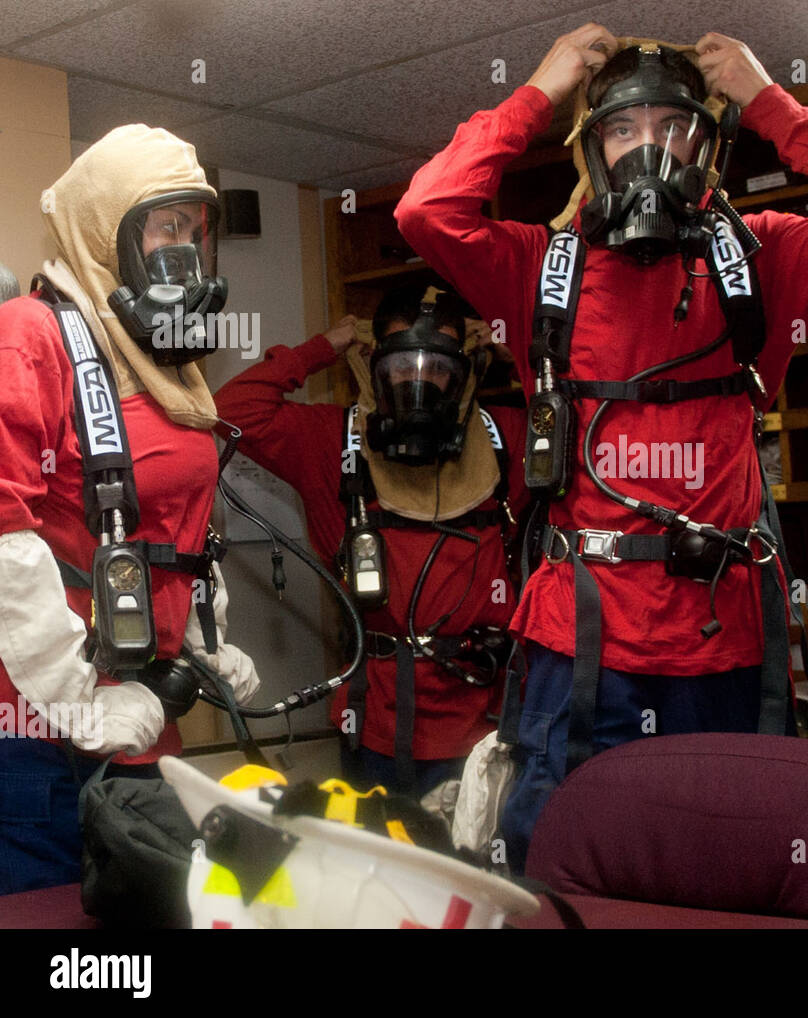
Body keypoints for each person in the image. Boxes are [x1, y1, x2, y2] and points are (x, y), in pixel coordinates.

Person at [395, 23, 808, 869]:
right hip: (582, 645)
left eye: (674, 129)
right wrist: (538, 91)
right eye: (622, 129)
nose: (650, 151)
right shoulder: (541, 269)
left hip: (726, 642)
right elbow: (426, 210)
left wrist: (771, 103)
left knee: (725, 868)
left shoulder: (760, 260)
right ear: (592, 153)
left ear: (710, 149)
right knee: (562, 869)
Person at [0, 125, 260, 894]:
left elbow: (170, 526)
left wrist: (208, 633)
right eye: (161, 227)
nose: (180, 250)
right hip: (38, 735)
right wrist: (80, 705)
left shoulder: (164, 366)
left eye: (192, 229)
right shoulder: (31, 335)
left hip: (144, 717)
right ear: (106, 232)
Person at [213, 286, 526, 799]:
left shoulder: (501, 441)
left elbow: (575, 424)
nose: (419, 381)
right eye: (402, 366)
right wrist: (324, 346)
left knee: (480, 867)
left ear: (463, 375)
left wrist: (516, 354)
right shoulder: (333, 441)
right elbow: (232, 410)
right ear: (375, 370)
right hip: (378, 717)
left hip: (486, 716)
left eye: (438, 368)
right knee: (382, 866)